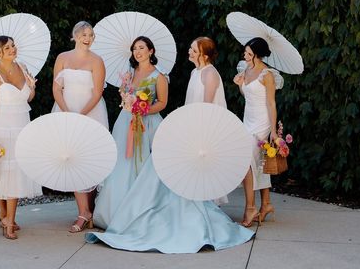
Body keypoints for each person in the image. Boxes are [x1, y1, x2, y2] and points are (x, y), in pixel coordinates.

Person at [85, 36, 253, 253]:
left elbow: (166, 103)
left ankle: (149, 211)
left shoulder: (164, 76)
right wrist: (126, 97)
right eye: (135, 48)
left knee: (154, 169)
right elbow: (127, 96)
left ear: (151, 51)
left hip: (155, 125)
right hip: (126, 124)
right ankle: (118, 213)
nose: (138, 52)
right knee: (122, 167)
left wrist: (143, 109)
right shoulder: (132, 74)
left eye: (142, 48)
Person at [0, 36, 42, 240]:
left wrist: (32, 87)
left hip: (22, 125)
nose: (12, 49)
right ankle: (4, 215)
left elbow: (28, 98)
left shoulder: (23, 67)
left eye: (13, 45)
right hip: (1, 126)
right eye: (7, 47)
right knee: (2, 170)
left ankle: (9, 218)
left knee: (16, 170)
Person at [52, 21, 108, 232]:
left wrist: (81, 115)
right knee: (72, 158)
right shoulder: (62, 58)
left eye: (91, 35)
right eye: (84, 34)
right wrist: (67, 112)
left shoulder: (97, 60)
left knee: (90, 160)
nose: (88, 38)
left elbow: (97, 92)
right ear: (75, 36)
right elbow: (57, 89)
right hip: (66, 111)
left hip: (91, 113)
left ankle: (90, 208)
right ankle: (83, 212)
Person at [233, 37, 283, 227]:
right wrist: (240, 85)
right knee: (259, 163)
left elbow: (271, 103)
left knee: (247, 161)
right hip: (248, 119)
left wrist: (274, 132)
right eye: (245, 52)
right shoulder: (246, 68)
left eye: (249, 54)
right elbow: (248, 95)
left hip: (262, 122)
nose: (245, 56)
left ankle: (251, 207)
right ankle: (267, 204)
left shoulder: (267, 75)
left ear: (258, 55)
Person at [185, 36, 229, 205]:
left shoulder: (210, 73)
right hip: (194, 123)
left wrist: (199, 128)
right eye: (191, 48)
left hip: (206, 126)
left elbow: (207, 106)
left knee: (205, 166)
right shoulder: (194, 72)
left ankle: (208, 203)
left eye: (194, 50)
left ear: (204, 56)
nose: (190, 51)